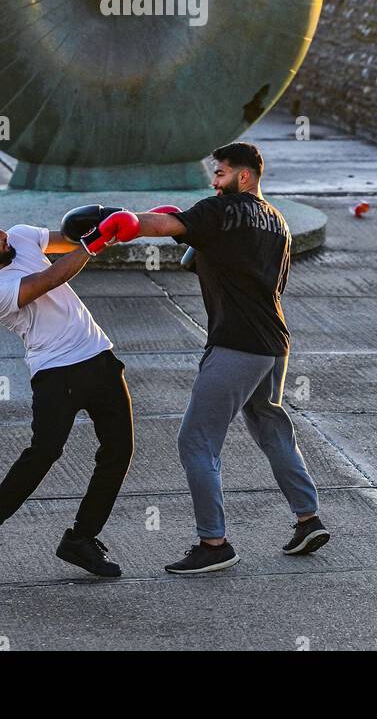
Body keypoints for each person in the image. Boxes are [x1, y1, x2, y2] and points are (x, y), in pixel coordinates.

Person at [129, 142, 330, 575]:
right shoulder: (279, 222)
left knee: (196, 440)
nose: (213, 181)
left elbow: (162, 224)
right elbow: (262, 279)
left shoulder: (219, 211)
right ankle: (308, 519)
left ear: (243, 176)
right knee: (270, 425)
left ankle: (214, 543)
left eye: (219, 173)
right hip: (274, 342)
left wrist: (114, 221)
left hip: (237, 343)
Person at [0, 205, 137, 578]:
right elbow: (48, 279)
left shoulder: (20, 236)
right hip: (55, 372)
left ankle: (80, 539)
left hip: (98, 355)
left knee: (119, 450)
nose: (4, 235)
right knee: (45, 452)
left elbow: (67, 241)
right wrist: (96, 242)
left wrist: (106, 221)